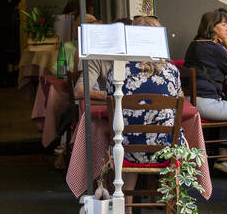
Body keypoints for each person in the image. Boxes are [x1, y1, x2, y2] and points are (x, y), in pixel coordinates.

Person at [73, 17, 185, 153]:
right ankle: (171, 173)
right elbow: (180, 99)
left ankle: (116, 173)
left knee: (108, 136)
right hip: (167, 148)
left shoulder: (118, 70)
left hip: (126, 148)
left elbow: (111, 101)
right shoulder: (172, 71)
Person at [183, 10, 227, 123]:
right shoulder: (215, 48)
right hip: (207, 103)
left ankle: (225, 141)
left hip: (188, 102)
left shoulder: (194, 44)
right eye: (224, 25)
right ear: (212, 27)